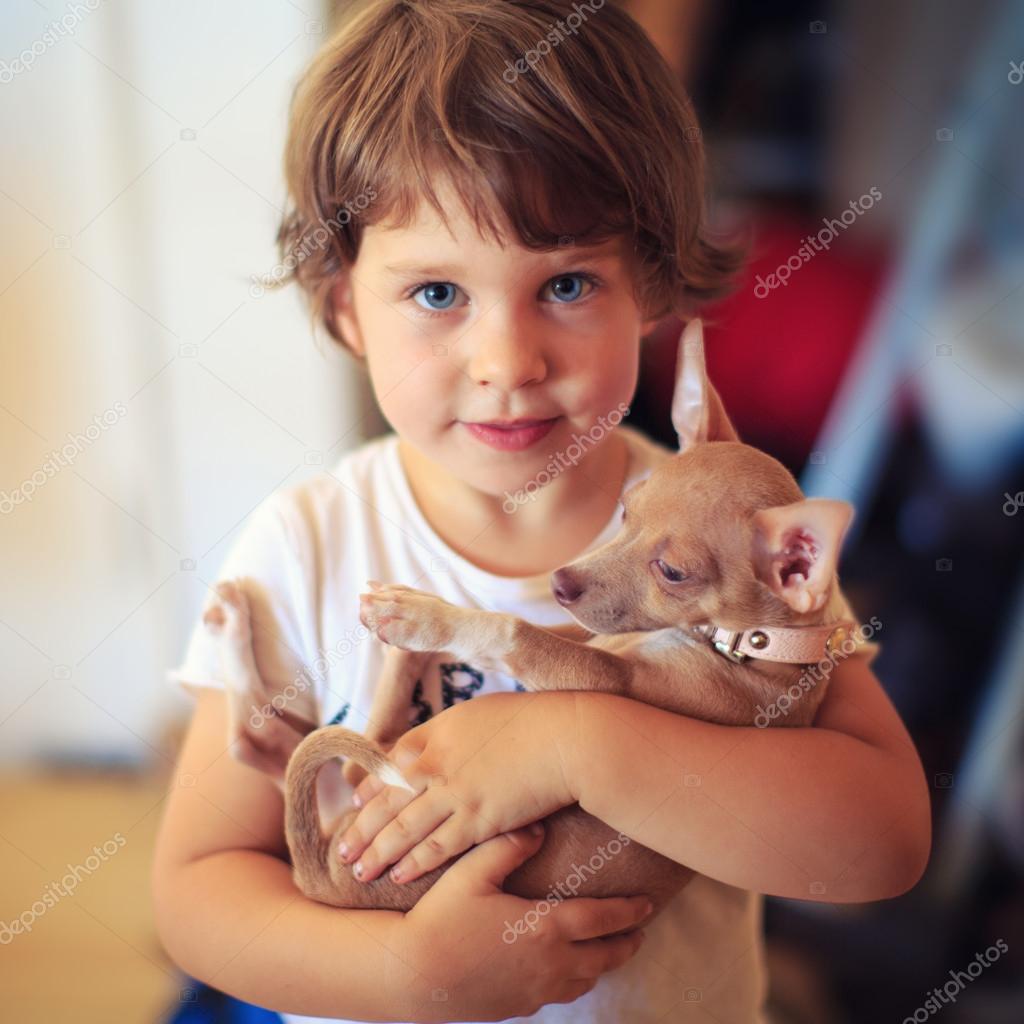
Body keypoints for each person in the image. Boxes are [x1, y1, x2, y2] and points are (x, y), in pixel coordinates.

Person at [151, 2, 931, 1022]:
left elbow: (881, 844)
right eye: (437, 294)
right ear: (345, 304)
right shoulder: (305, 546)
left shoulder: (725, 531)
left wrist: (572, 744)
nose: (509, 364)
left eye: (564, 282)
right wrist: (406, 977)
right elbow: (199, 889)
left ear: (648, 287)